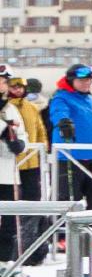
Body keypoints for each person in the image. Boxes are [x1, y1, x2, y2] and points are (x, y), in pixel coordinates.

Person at [46, 66, 92, 210]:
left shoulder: (89, 98)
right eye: (82, 80)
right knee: (69, 199)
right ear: (71, 81)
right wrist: (64, 122)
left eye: (88, 80)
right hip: (70, 157)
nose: (86, 83)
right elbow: (58, 111)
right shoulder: (61, 96)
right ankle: (62, 231)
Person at [8, 75, 49, 256]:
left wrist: (43, 150)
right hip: (11, 165)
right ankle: (11, 248)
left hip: (31, 163)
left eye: (20, 87)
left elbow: (40, 131)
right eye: (13, 87)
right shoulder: (6, 108)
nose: (17, 90)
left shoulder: (31, 107)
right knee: (11, 205)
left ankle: (31, 247)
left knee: (32, 202)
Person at [0, 87, 27, 267]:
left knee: (9, 222)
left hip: (7, 173)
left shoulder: (10, 108)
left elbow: (22, 133)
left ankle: (5, 262)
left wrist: (19, 144)